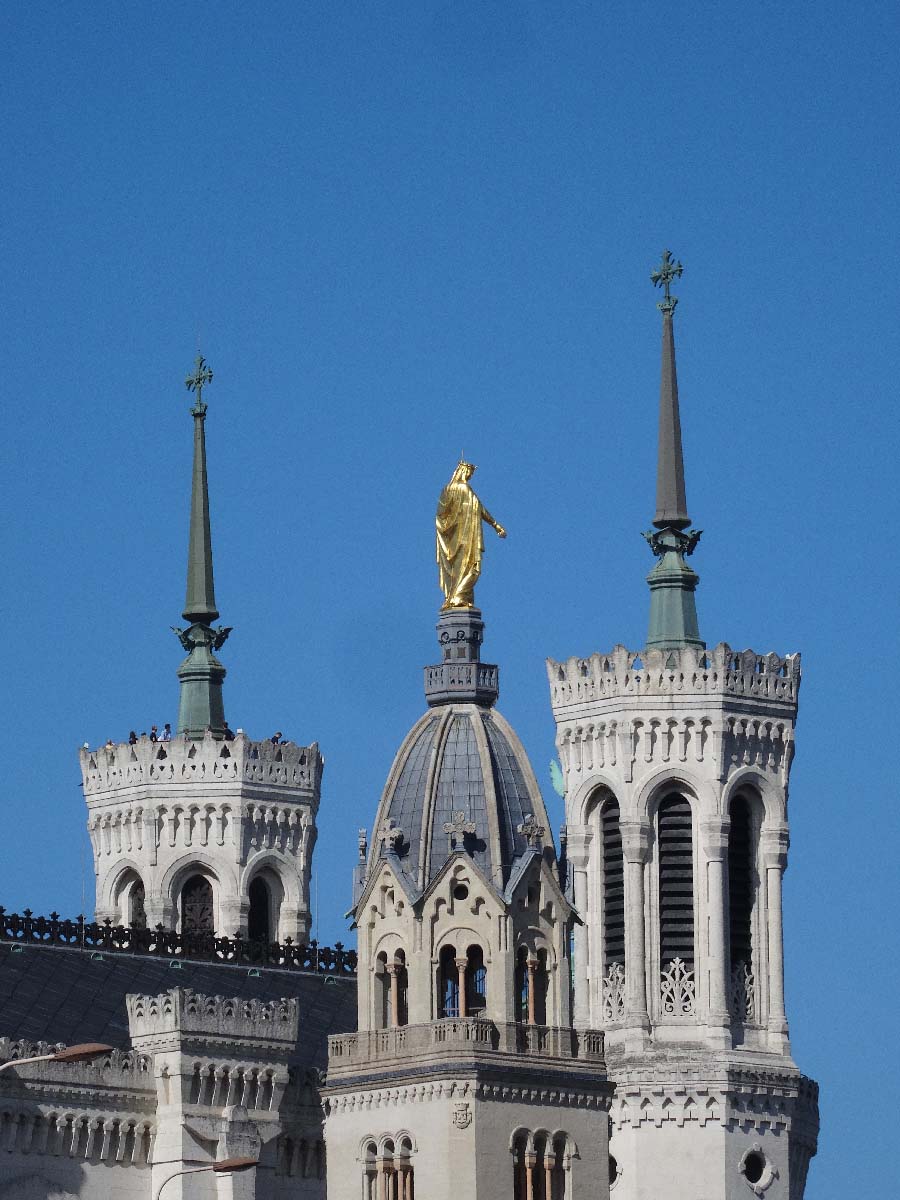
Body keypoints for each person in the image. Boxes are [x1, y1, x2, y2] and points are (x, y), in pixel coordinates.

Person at [435, 460, 506, 610]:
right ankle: (458, 596)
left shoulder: (447, 490)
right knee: (473, 567)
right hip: (467, 538)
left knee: (458, 569)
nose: (470, 476)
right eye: (469, 472)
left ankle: (455, 596)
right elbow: (480, 510)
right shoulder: (464, 489)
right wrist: (495, 525)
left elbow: (441, 514)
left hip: (453, 539)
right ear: (463, 471)